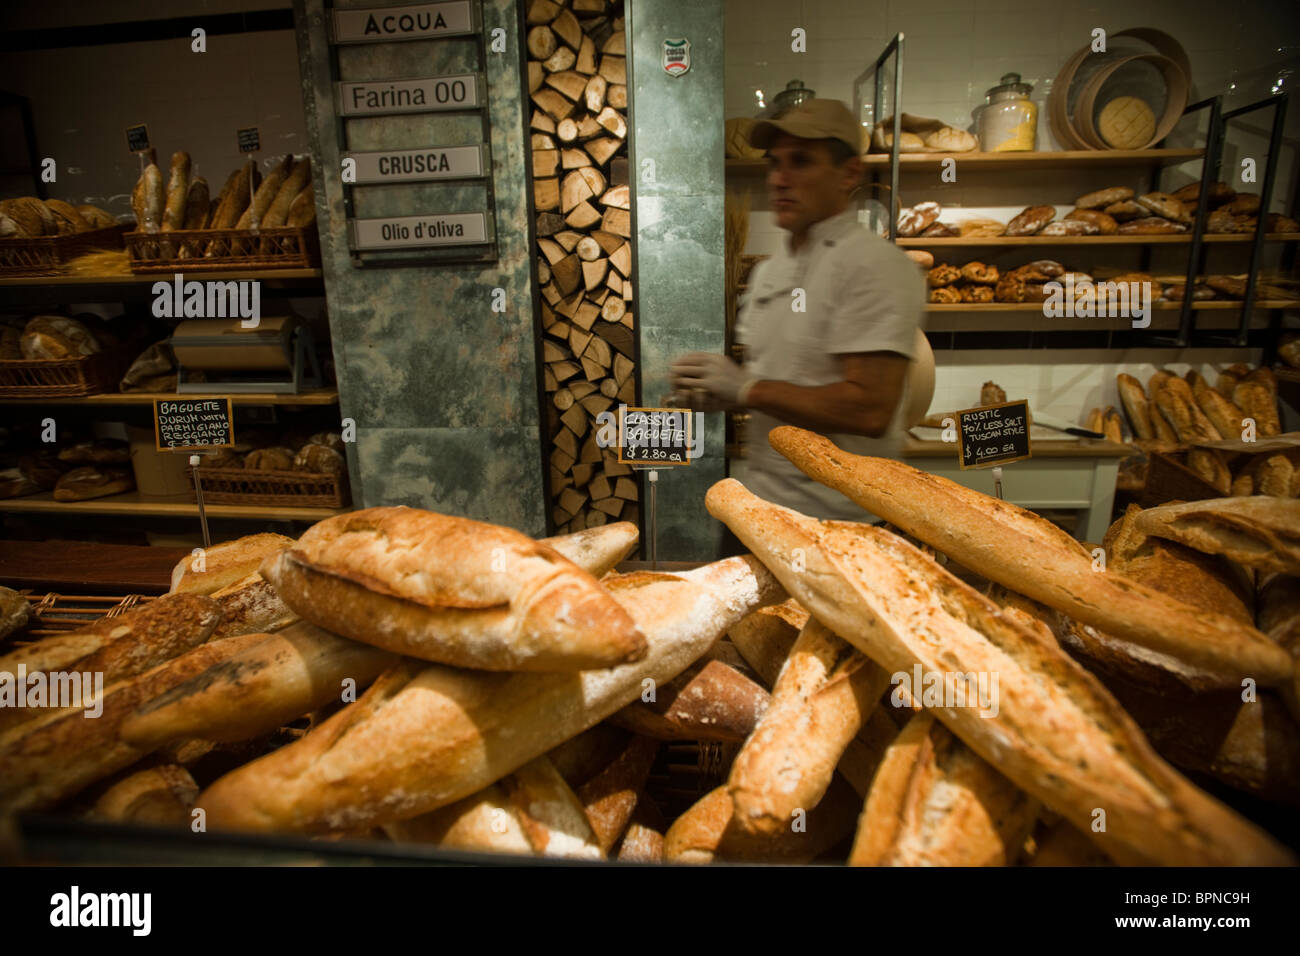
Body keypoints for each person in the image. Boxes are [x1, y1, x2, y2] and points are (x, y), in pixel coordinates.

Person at [671, 98, 928, 541]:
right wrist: (722, 394)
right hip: (761, 513)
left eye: (801, 162)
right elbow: (781, 381)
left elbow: (871, 408)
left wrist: (746, 388)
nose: (779, 179)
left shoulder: (878, 266)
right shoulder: (772, 270)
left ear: (848, 174)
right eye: (775, 163)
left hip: (842, 527)